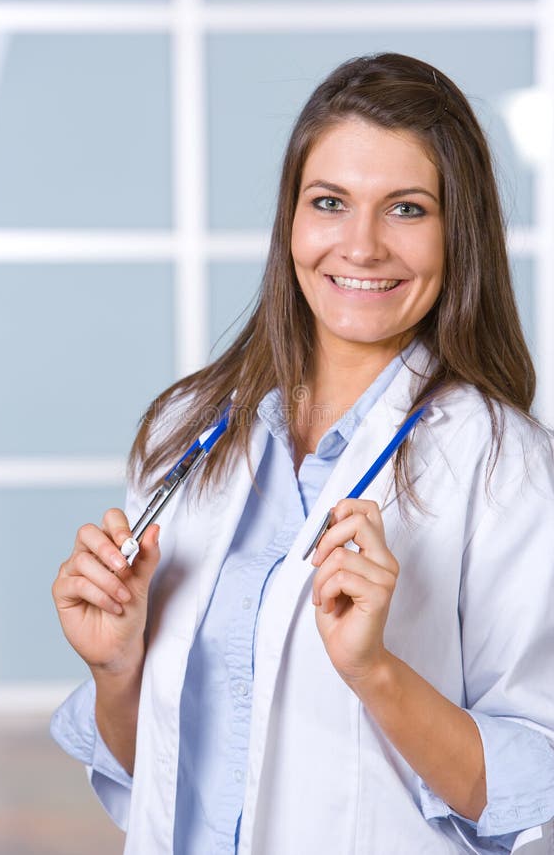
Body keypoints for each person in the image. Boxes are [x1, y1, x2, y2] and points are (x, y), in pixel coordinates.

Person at [51, 53, 554, 854]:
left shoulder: (507, 467)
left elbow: (535, 786)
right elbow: (160, 777)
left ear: (459, 232)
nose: (360, 246)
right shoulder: (185, 432)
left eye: (407, 209)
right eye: (330, 203)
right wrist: (118, 671)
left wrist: (376, 672)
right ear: (292, 218)